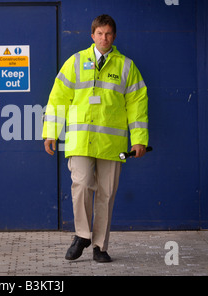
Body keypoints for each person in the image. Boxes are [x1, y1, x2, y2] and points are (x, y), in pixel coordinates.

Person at [43, 15, 148, 262]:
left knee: (107, 194)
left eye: (109, 33)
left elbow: (137, 104)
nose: (104, 38)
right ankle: (82, 234)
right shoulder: (76, 62)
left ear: (114, 36)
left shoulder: (126, 67)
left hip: (111, 144)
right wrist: (50, 131)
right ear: (92, 35)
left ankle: (100, 246)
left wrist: (139, 138)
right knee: (80, 185)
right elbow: (58, 98)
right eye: (100, 33)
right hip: (81, 140)